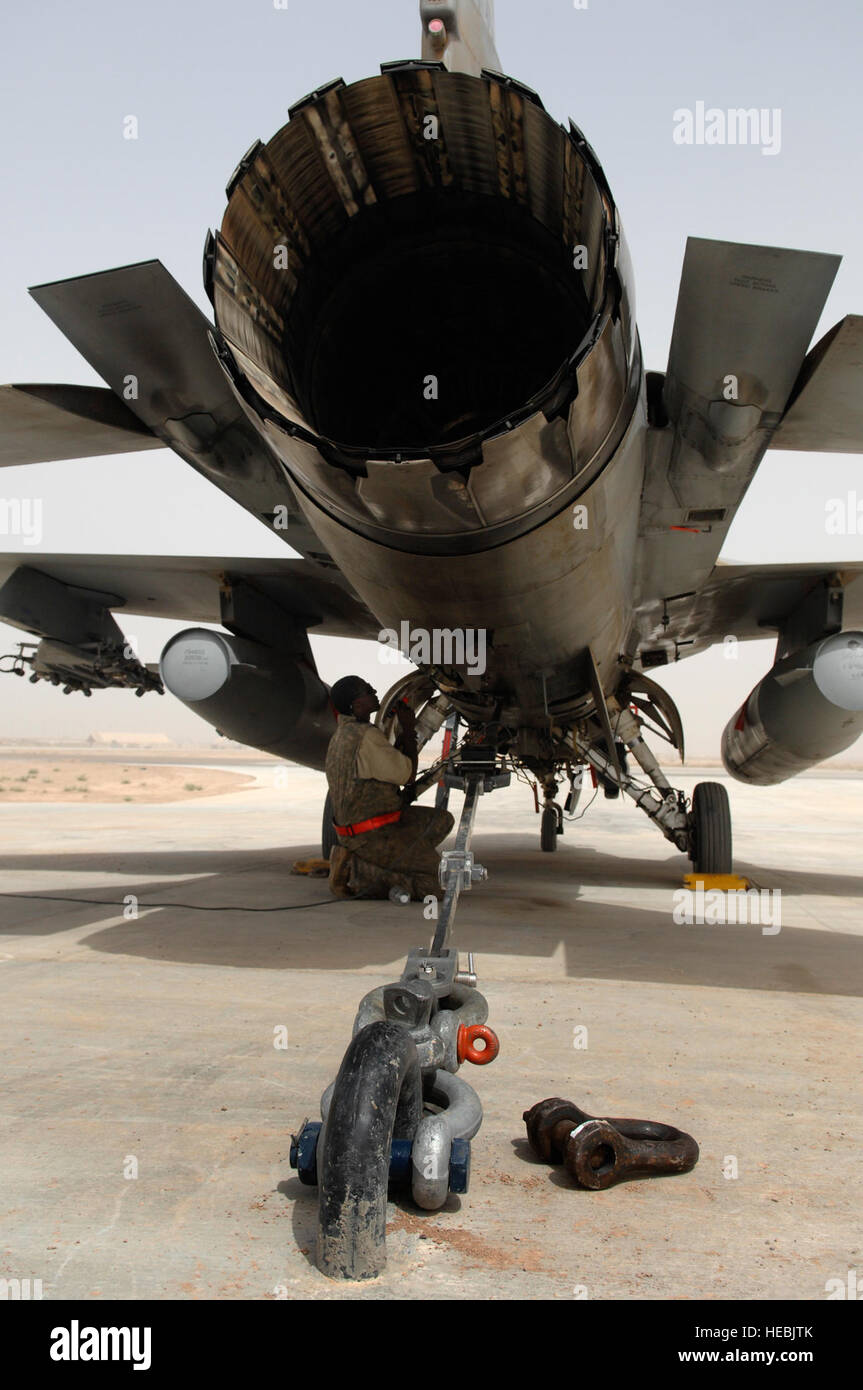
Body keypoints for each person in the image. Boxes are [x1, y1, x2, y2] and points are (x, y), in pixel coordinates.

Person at [325, 675, 454, 901]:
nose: (374, 690)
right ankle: (358, 872)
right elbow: (408, 775)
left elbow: (389, 764)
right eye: (367, 690)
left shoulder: (343, 734)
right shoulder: (367, 737)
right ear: (356, 705)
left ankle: (393, 860)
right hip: (372, 835)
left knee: (442, 821)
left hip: (370, 824)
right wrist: (408, 729)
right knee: (436, 883)